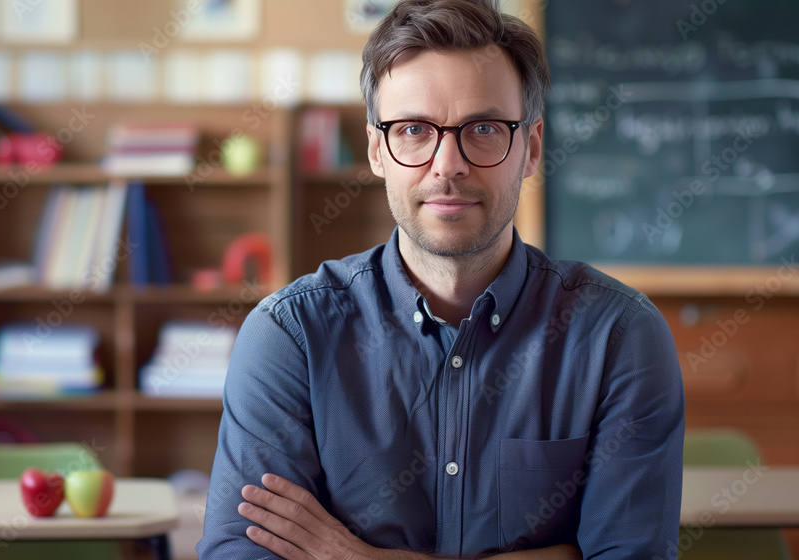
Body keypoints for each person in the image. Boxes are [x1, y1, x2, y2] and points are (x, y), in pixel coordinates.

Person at [196, 0, 685, 557]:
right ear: (379, 150)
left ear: (531, 147)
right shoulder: (290, 336)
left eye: (482, 128)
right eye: (413, 130)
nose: (447, 164)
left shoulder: (619, 337)